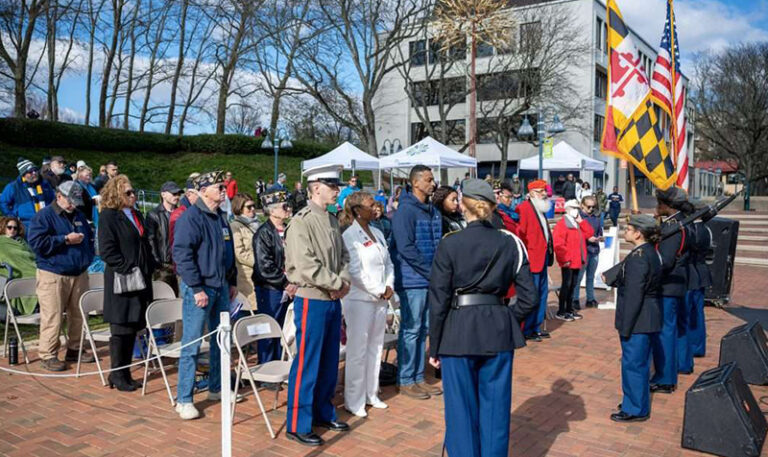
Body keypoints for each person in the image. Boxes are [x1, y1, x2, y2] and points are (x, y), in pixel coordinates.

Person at [428, 179, 538, 457]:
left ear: (464, 205)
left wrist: (436, 342)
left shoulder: (450, 243)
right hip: (497, 330)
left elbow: (439, 299)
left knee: (460, 411)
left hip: (457, 330)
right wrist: (505, 318)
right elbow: (529, 298)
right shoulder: (511, 243)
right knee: (495, 410)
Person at [284, 164, 351, 446]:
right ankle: (298, 423)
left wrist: (343, 281)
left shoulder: (332, 219)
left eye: (337, 187)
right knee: (307, 363)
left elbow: (345, 256)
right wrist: (338, 284)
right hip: (312, 298)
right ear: (315, 188)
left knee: (328, 361)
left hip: (332, 299)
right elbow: (305, 264)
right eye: (333, 186)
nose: (337, 191)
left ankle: (323, 411)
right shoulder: (302, 221)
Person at [173, 171, 238, 420]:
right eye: (218, 186)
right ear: (203, 191)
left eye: (223, 186)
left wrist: (230, 281)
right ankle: (184, 399)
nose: (223, 189)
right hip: (199, 288)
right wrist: (197, 287)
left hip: (221, 286)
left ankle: (216, 387)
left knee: (221, 342)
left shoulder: (220, 218)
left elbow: (228, 252)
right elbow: (182, 254)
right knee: (191, 343)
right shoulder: (191, 218)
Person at [27, 181, 95, 371]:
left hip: (79, 272)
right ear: (59, 196)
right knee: (53, 316)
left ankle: (75, 348)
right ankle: (48, 354)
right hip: (53, 273)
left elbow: (89, 239)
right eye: (70, 201)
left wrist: (86, 258)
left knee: (79, 314)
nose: (73, 205)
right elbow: (37, 244)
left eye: (76, 201)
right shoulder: (44, 217)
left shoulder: (79, 215)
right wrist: (64, 239)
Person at [339, 191, 395, 417]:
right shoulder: (349, 235)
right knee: (358, 350)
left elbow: (388, 263)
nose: (376, 207)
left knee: (376, 347)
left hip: (380, 300)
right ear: (357, 211)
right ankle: (354, 399)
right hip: (359, 300)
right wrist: (378, 289)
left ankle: (372, 393)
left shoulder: (379, 232)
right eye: (370, 205)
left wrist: (389, 285)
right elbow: (354, 271)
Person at [98, 175, 157, 391]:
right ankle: (117, 373)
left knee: (132, 327)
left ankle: (126, 372)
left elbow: (144, 243)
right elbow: (106, 250)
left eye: (133, 192)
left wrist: (149, 265)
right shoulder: (109, 216)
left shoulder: (136, 214)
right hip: (122, 280)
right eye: (128, 193)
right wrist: (127, 268)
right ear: (116, 194)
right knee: (120, 328)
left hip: (140, 279)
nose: (133, 196)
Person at [390, 165, 442, 400]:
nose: (433, 184)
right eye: (429, 180)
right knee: (411, 330)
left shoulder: (431, 210)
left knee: (422, 330)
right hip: (412, 280)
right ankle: (406, 378)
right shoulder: (406, 211)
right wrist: (431, 272)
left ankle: (418, 377)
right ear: (416, 183)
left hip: (428, 278)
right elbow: (406, 248)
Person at [605, 214, 662, 422]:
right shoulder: (647, 252)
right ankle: (635, 400)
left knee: (633, 364)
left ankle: (635, 408)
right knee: (638, 363)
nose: (625, 231)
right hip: (647, 315)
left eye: (629, 229)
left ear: (638, 233)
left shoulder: (640, 258)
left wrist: (625, 326)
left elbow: (634, 295)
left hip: (639, 319)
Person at [650, 187, 692, 394]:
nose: (657, 206)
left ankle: (665, 378)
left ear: (667, 205)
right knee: (674, 328)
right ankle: (676, 367)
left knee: (665, 331)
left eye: (659, 203)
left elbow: (664, 261)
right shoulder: (682, 222)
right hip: (677, 283)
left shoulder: (673, 227)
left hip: (667, 285)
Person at [252, 190, 295, 363]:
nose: (288, 209)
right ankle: (266, 366)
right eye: (284, 206)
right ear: (272, 210)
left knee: (285, 328)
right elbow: (265, 266)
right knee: (268, 330)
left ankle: (281, 363)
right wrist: (286, 283)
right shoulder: (263, 234)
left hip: (289, 286)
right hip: (271, 289)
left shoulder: (290, 230)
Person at [516, 179, 553, 342]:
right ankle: (527, 329)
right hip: (532, 259)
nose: (544, 194)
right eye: (540, 191)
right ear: (531, 193)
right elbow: (520, 235)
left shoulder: (540, 208)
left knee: (542, 294)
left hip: (542, 258)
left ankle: (536, 327)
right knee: (532, 295)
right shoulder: (523, 208)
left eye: (544, 190)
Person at [553, 199, 593, 321]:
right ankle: (561, 310)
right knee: (567, 285)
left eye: (577, 208)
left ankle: (569, 309)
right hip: (568, 260)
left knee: (573, 285)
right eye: (574, 208)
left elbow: (589, 233)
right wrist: (565, 259)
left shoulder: (576, 223)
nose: (577, 210)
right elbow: (558, 244)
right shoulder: (562, 224)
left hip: (577, 259)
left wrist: (582, 222)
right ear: (568, 209)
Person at [1, 158, 56, 233]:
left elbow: (53, 201)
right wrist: (12, 217)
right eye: (30, 172)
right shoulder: (13, 187)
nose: (34, 173)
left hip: (46, 223)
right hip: (26, 225)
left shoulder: (45, 185)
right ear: (23, 174)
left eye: (35, 170)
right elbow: (3, 202)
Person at [146, 181, 182, 293]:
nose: (177, 196)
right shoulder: (154, 214)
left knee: (181, 300)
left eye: (178, 194)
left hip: (180, 263)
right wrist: (157, 262)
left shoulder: (182, 213)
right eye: (173, 193)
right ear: (163, 194)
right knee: (163, 298)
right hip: (163, 265)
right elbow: (151, 239)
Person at [0, 216, 38, 315]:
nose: (12, 230)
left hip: (30, 265)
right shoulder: (1, 242)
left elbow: (30, 255)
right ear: (4, 227)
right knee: (34, 275)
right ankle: (36, 306)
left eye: (15, 228)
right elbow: (6, 256)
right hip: (17, 269)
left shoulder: (22, 242)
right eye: (9, 227)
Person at [230, 193, 260, 310]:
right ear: (239, 208)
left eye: (254, 206)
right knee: (248, 310)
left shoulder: (256, 224)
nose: (253, 209)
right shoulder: (235, 226)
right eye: (249, 207)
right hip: (245, 277)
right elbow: (239, 253)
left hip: (258, 275)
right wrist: (260, 262)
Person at [687, 220, 712, 358]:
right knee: (697, 312)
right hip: (701, 271)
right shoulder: (706, 229)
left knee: (692, 312)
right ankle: (697, 346)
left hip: (693, 271)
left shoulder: (693, 230)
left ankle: (693, 346)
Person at [573, 196, 603, 309]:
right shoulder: (578, 217)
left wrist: (600, 238)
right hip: (583, 251)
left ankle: (590, 298)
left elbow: (599, 231)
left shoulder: (596, 218)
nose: (591, 209)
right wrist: (587, 238)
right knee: (579, 277)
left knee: (590, 276)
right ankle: (575, 299)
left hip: (594, 250)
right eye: (588, 207)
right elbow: (575, 233)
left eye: (593, 207)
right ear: (582, 206)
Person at [168, 173, 200, 268]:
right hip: (188, 270)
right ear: (189, 194)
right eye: (198, 193)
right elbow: (177, 247)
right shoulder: (179, 215)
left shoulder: (200, 211)